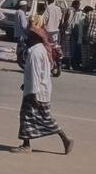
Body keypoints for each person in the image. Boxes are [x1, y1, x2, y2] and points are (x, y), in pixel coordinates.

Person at [16, 14, 73, 155]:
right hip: (39, 89)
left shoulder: (35, 53)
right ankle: (26, 143)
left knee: (38, 118)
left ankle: (64, 139)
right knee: (32, 117)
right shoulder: (41, 49)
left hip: (36, 91)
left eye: (30, 34)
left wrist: (32, 92)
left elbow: (35, 74)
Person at [81, 1, 96, 71]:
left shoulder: (89, 13)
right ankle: (94, 66)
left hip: (88, 34)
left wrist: (84, 35)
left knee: (89, 51)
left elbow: (85, 25)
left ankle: (88, 66)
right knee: (95, 52)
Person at [66, 0, 84, 68]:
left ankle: (71, 63)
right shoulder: (72, 11)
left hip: (73, 31)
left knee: (72, 48)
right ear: (75, 4)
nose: (79, 6)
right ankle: (70, 63)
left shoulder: (75, 11)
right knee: (71, 48)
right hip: (71, 31)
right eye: (78, 5)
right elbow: (69, 22)